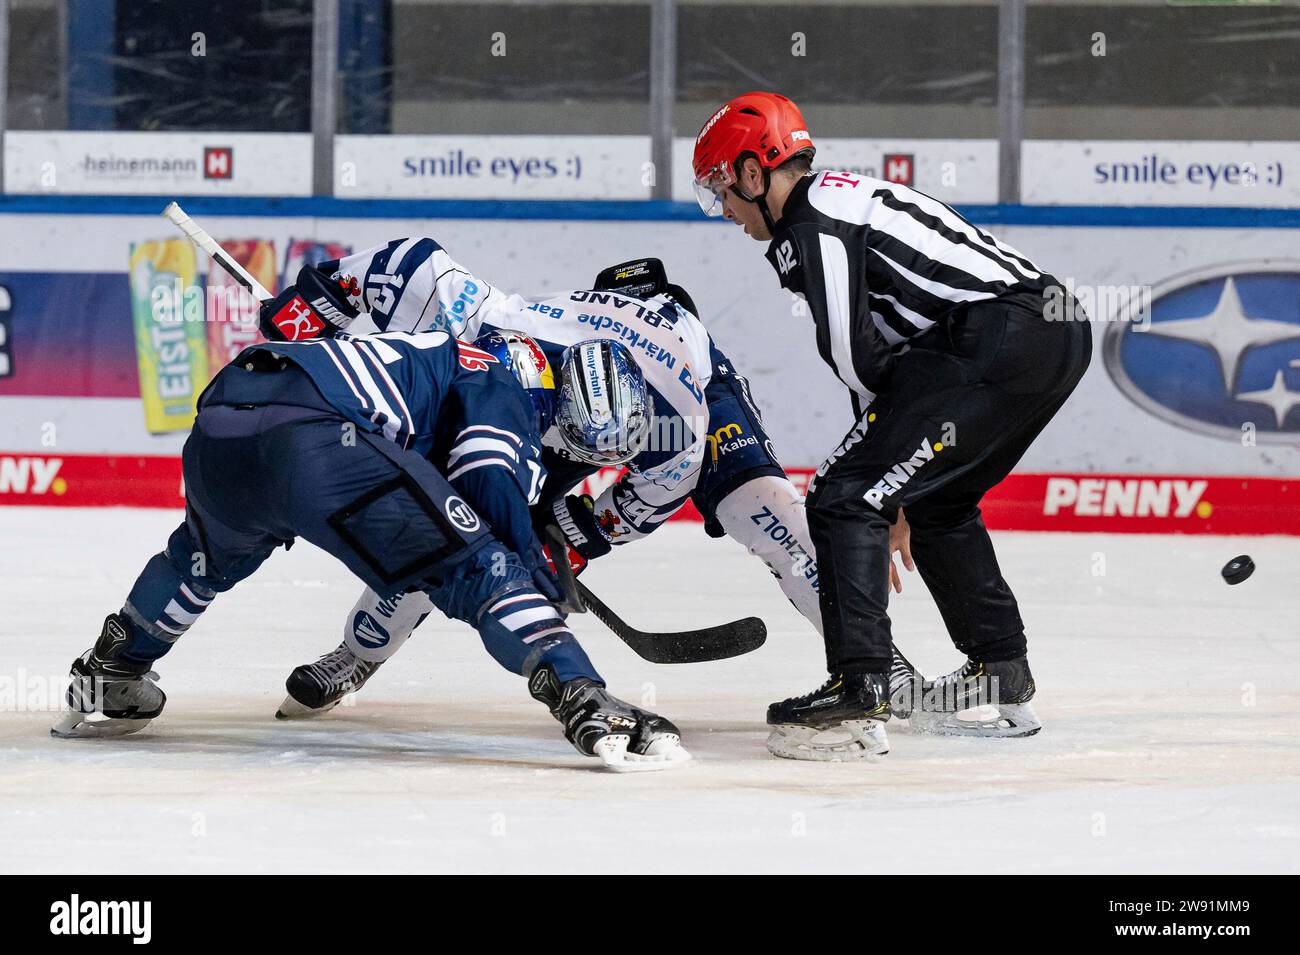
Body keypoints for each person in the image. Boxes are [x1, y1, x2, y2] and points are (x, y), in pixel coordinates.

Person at [53, 322, 690, 772]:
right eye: (577, 445)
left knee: (198, 562)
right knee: (481, 571)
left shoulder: (473, 355)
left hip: (223, 420)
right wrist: (533, 571)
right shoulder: (508, 384)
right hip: (317, 442)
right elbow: (489, 481)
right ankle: (585, 697)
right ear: (568, 404)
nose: (569, 458)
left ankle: (111, 669)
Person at [259, 244, 838, 720]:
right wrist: (314, 303)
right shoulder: (495, 328)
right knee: (449, 522)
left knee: (766, 509)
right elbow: (403, 262)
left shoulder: (677, 435)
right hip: (553, 397)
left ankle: (871, 664)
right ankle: (358, 653)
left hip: (698, 382)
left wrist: (570, 539)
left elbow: (636, 506)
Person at [692, 91, 1092, 760]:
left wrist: (879, 485)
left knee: (841, 498)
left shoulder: (812, 222)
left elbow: (855, 357)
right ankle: (1000, 668)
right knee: (937, 501)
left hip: (997, 335)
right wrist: (896, 482)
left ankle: (860, 688)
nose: (723, 210)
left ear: (755, 172)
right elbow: (888, 367)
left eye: (722, 189)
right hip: (1050, 332)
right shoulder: (838, 203)